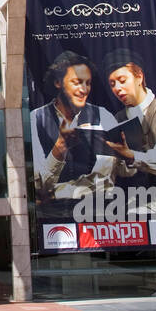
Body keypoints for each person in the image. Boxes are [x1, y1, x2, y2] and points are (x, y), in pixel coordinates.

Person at [31, 51, 119, 217]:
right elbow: (38, 184)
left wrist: (52, 193)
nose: (84, 90)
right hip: (51, 220)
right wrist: (60, 148)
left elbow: (104, 183)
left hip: (96, 214)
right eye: (77, 82)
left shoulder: (103, 116)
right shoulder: (36, 118)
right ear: (58, 82)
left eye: (88, 83)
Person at [101, 50, 156, 214]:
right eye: (112, 84)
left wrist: (131, 155)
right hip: (133, 206)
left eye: (122, 80)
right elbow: (125, 172)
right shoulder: (117, 119)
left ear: (139, 76)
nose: (117, 88)